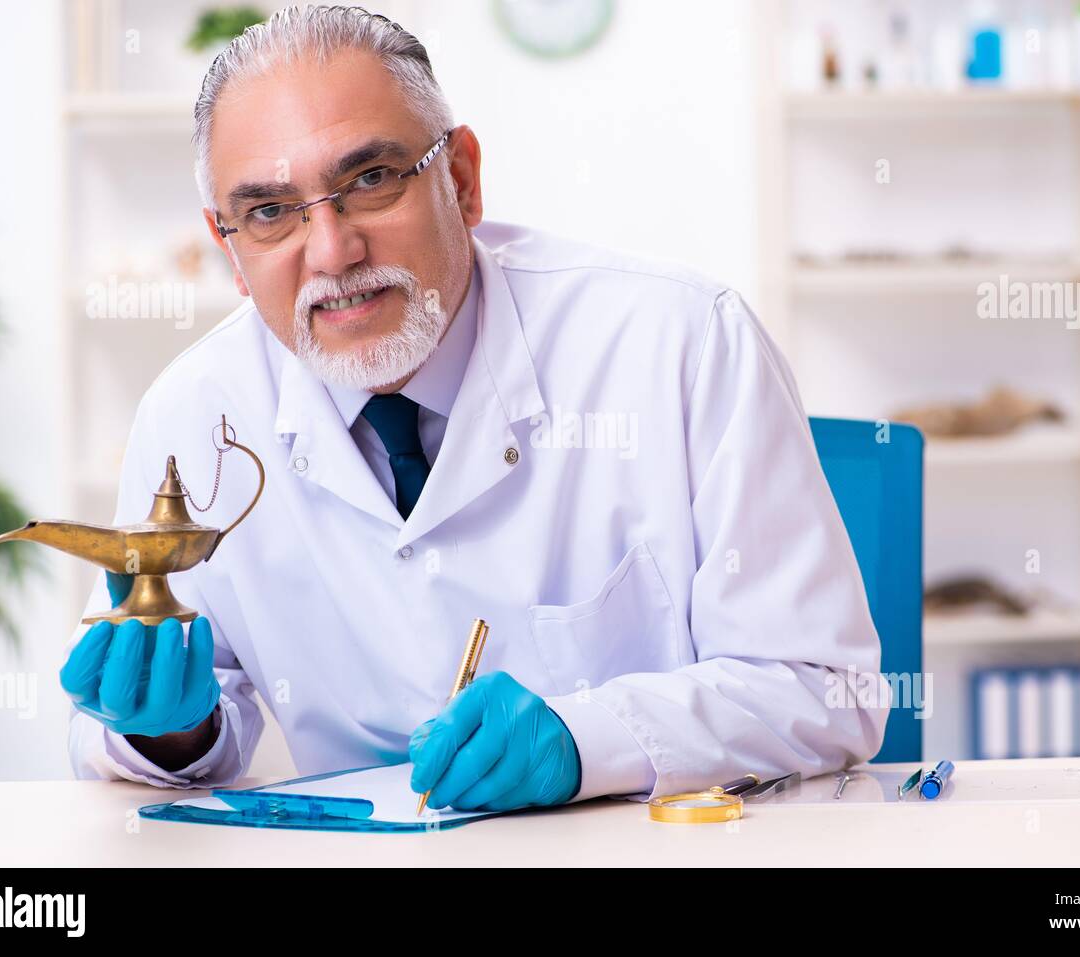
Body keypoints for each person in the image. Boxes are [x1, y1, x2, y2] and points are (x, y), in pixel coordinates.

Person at [63, 5, 889, 812]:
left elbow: (827, 687)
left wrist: (585, 738)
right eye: (271, 212)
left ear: (460, 180)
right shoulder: (195, 414)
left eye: (371, 179)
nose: (333, 251)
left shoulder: (680, 342)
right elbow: (174, 716)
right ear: (231, 253)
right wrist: (169, 730)